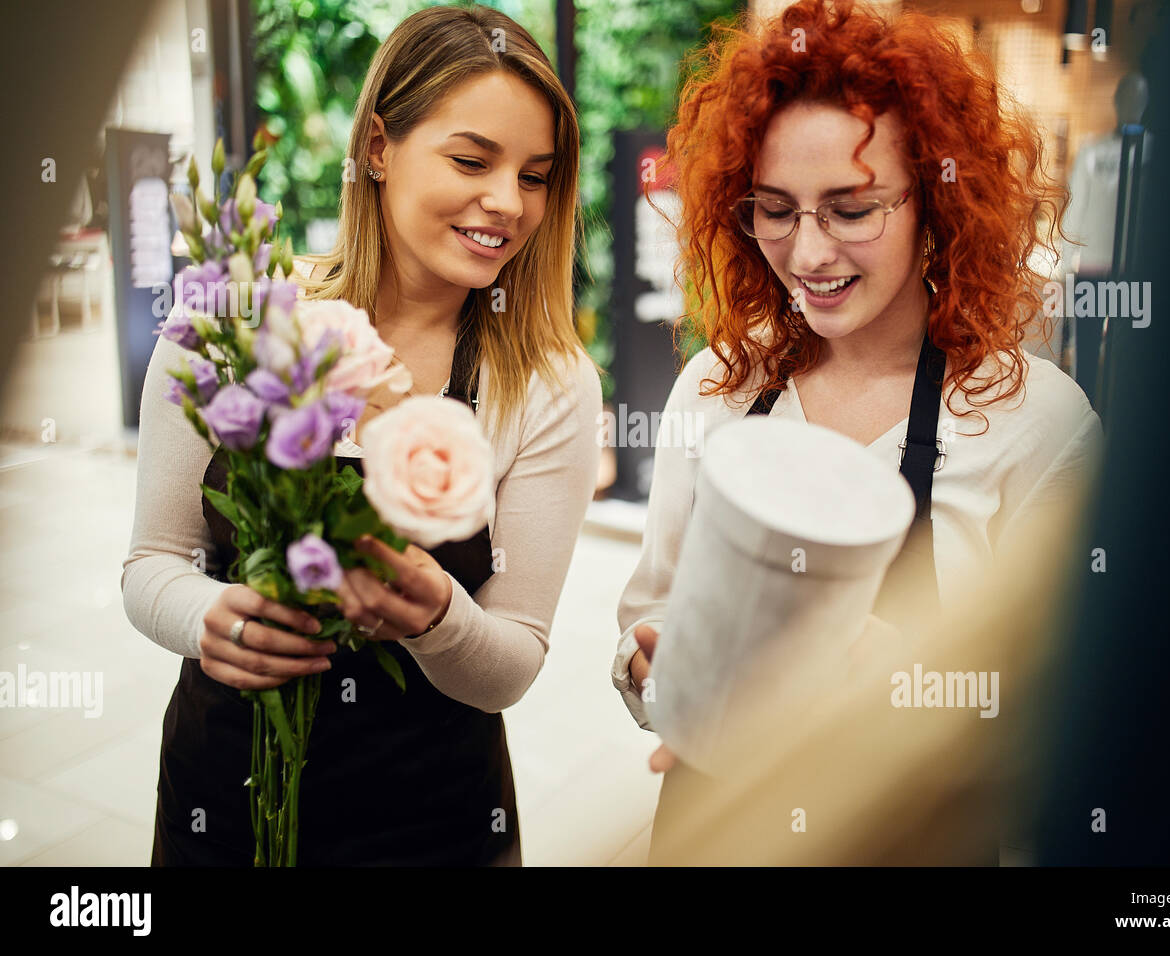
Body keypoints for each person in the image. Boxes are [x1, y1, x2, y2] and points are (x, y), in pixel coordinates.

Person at [609, 0, 1103, 863]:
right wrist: (660, 669)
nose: (807, 254)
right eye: (776, 209)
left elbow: (1073, 723)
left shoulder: (1038, 424)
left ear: (935, 202)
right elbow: (652, 609)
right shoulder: (717, 391)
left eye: (851, 208)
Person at [122, 4, 601, 866]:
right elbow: (151, 566)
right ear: (378, 146)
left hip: (435, 825)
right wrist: (213, 616)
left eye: (536, 176)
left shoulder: (547, 380)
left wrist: (434, 617)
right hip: (224, 804)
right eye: (470, 159)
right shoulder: (242, 319)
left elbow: (512, 663)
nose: (508, 204)